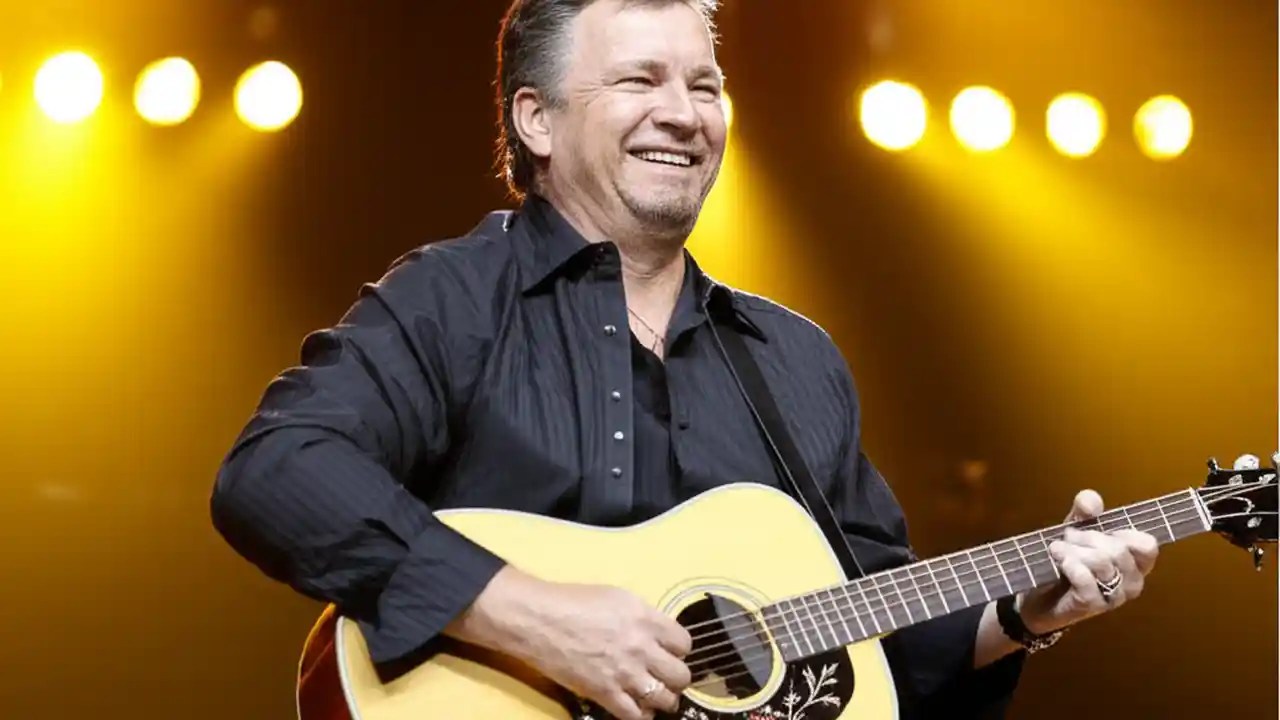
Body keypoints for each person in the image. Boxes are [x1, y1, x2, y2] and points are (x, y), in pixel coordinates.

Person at [209, 1, 1160, 718]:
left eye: (704, 85)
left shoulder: (794, 358)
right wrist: (529, 616)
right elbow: (276, 472)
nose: (685, 114)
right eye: (640, 81)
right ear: (535, 121)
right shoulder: (455, 300)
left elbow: (871, 651)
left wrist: (1024, 613)